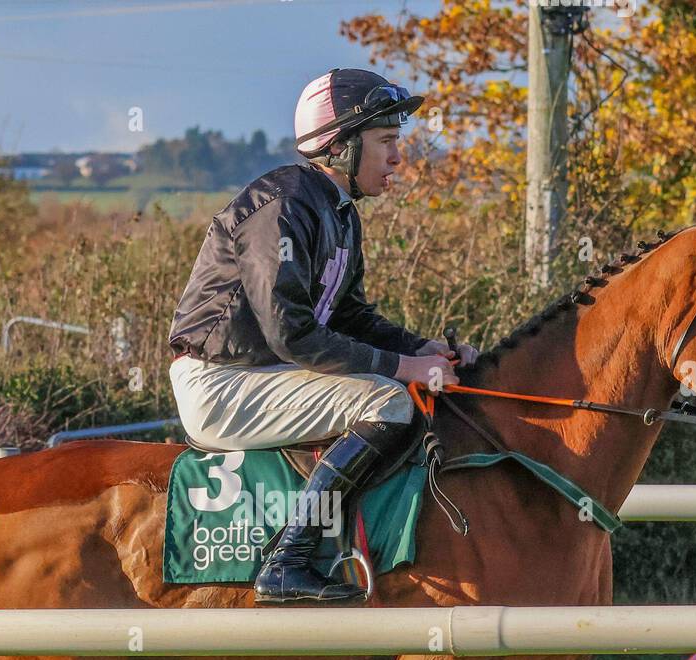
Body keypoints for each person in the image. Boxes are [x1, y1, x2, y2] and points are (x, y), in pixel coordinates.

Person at [168, 68, 479, 604]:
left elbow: (350, 317)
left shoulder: (340, 216)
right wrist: (403, 370)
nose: (397, 158)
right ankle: (285, 564)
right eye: (385, 142)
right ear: (340, 147)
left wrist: (422, 349)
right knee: (389, 401)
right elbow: (292, 335)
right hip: (223, 383)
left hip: (261, 376)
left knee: (396, 388)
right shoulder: (284, 206)